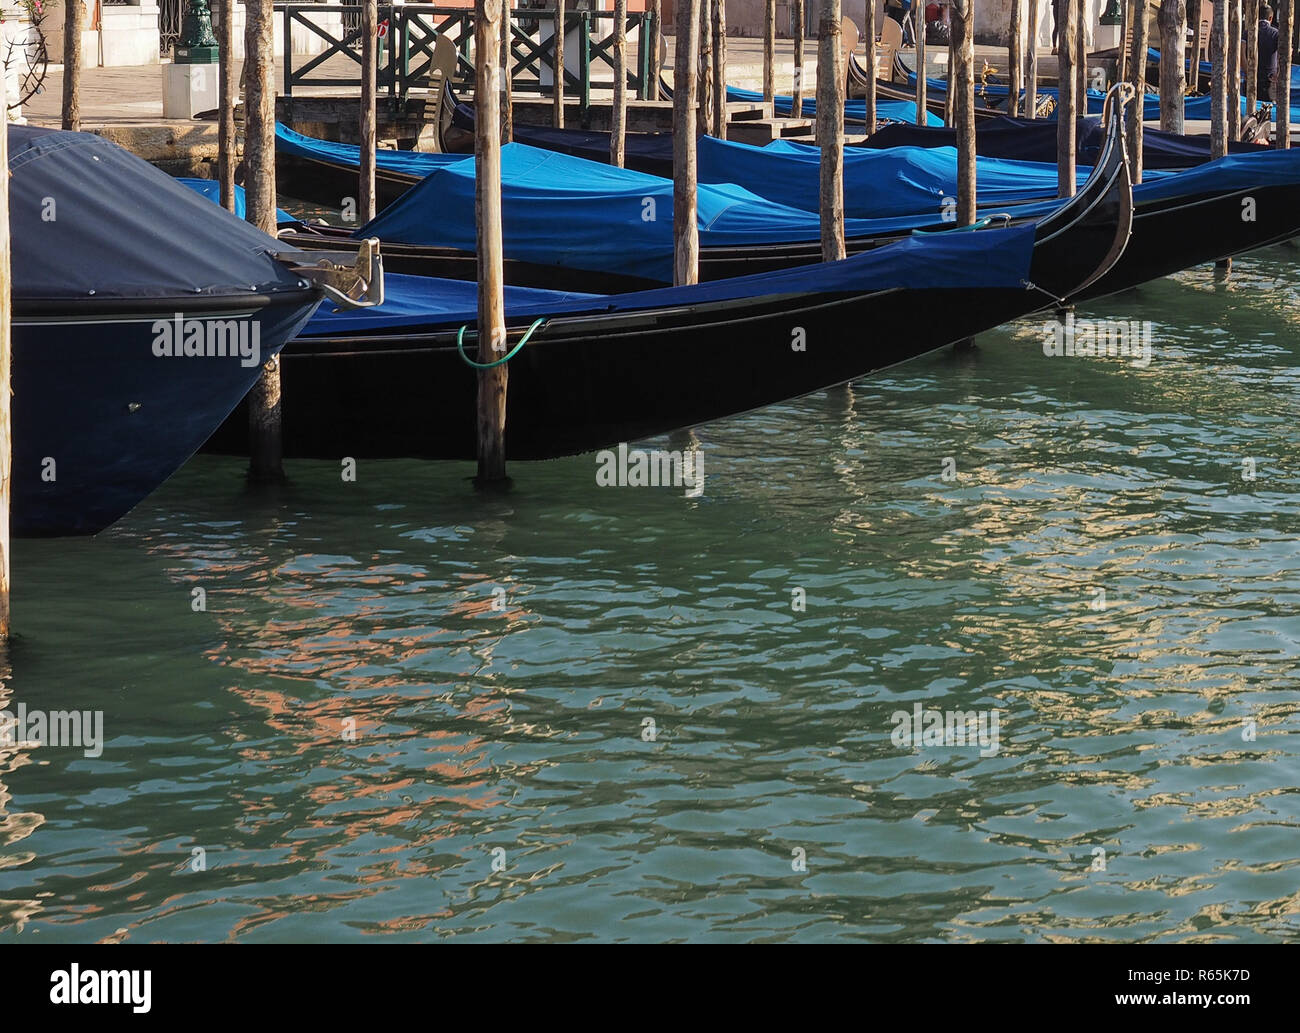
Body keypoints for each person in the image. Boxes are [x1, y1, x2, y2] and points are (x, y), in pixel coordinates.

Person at [1259, 4, 1279, 101]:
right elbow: (1284, 54)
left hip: (1251, 76)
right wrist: (1278, 74)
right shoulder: (1275, 33)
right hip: (1269, 77)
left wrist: (1247, 71)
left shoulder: (1248, 32)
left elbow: (1241, 54)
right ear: (1271, 18)